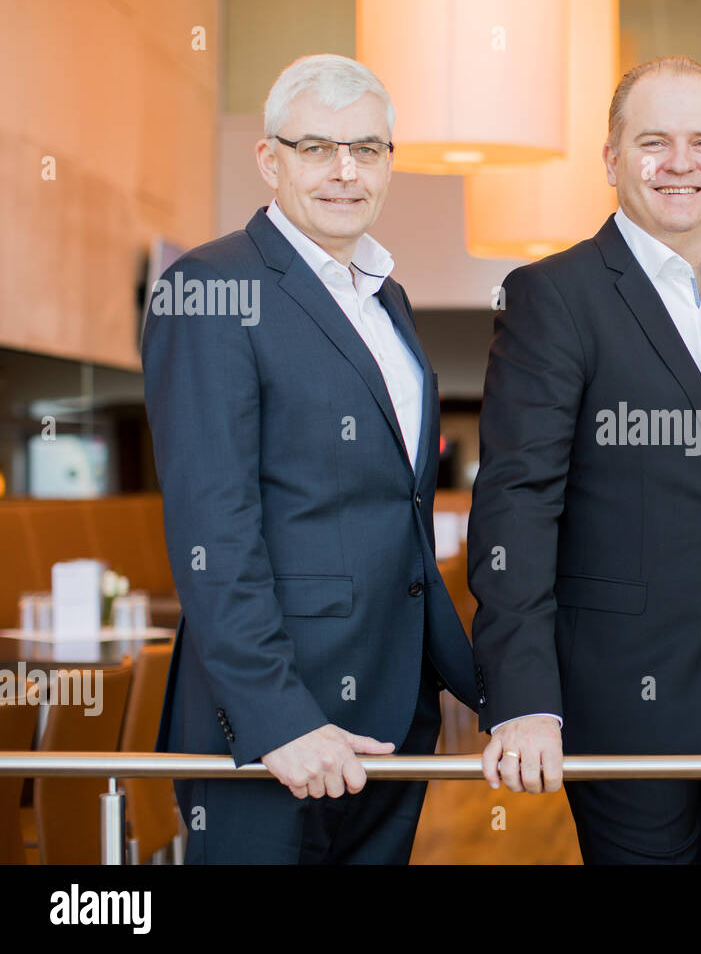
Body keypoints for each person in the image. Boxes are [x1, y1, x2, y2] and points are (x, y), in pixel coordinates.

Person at [468, 56, 701, 864]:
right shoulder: (554, 296)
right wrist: (525, 699)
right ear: (610, 160)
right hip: (619, 693)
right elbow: (517, 506)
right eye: (653, 142)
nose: (681, 163)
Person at [142, 54, 475, 863]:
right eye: (316, 148)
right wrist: (277, 718)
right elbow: (213, 526)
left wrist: (472, 683)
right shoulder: (211, 288)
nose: (344, 172)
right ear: (270, 159)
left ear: (391, 161)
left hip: (392, 709)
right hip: (273, 726)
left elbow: (397, 513)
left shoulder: (383, 297)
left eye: (367, 148)